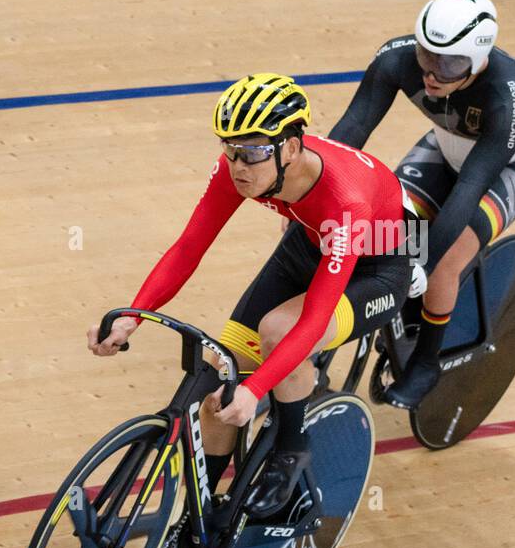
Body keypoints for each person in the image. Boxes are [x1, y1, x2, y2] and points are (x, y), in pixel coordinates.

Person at [89, 73, 412, 518]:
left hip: (378, 267)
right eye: (231, 149)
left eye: (254, 152)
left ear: (292, 148)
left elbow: (314, 319)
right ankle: (196, 518)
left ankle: (291, 449)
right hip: (311, 241)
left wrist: (256, 388)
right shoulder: (240, 168)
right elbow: (188, 248)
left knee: (280, 334)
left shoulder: (346, 199)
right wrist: (133, 316)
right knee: (219, 386)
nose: (239, 165)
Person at [329, 0, 515, 408]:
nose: (432, 73)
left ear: (479, 59)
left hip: (506, 167)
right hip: (450, 143)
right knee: (384, 224)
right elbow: (353, 131)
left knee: (444, 260)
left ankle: (427, 362)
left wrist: (424, 264)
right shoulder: (397, 59)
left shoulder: (508, 99)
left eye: (449, 63)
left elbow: (470, 188)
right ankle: (404, 311)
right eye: (427, 55)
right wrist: (316, 188)